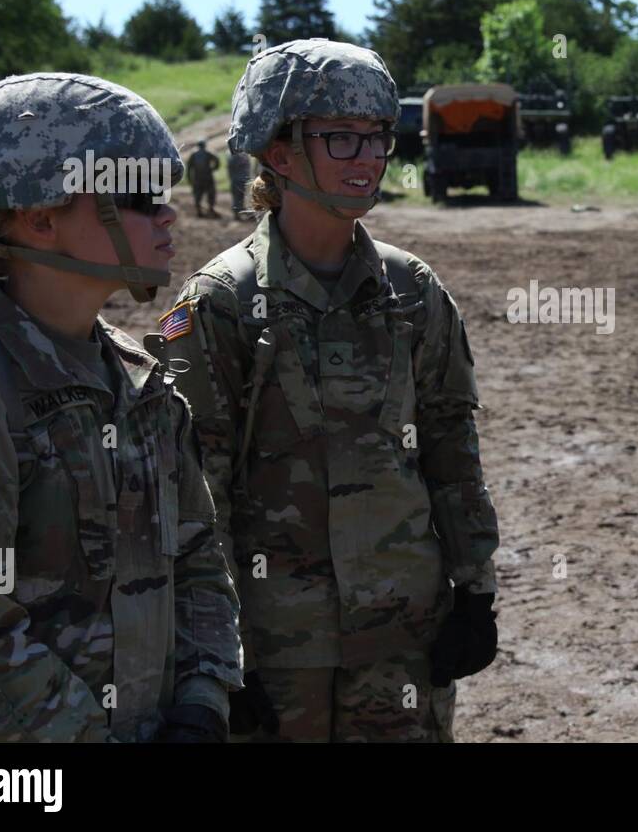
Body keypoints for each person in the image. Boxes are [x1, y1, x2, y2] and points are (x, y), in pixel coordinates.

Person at [163, 38, 498, 742]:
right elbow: (198, 494)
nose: (368, 158)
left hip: (403, 635)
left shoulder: (411, 290)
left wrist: (475, 589)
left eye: (378, 137)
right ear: (278, 153)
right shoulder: (222, 303)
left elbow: (451, 445)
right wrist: (218, 653)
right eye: (342, 138)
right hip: (280, 650)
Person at [0, 72, 241, 742]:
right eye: (140, 197)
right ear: (41, 218)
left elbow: (198, 558)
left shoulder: (140, 380)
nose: (168, 216)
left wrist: (202, 701)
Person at [187, 139, 220, 218]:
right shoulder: (208, 152)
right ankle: (211, 209)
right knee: (211, 193)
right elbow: (217, 159)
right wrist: (213, 168)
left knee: (198, 195)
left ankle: (199, 211)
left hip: (197, 178)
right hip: (208, 177)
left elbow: (189, 168)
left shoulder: (193, 154)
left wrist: (189, 179)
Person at [228, 150, 252, 218]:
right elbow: (248, 168)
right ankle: (238, 212)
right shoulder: (245, 156)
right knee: (240, 196)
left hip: (236, 180)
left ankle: (237, 212)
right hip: (242, 180)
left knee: (237, 197)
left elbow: (230, 169)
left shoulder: (233, 157)